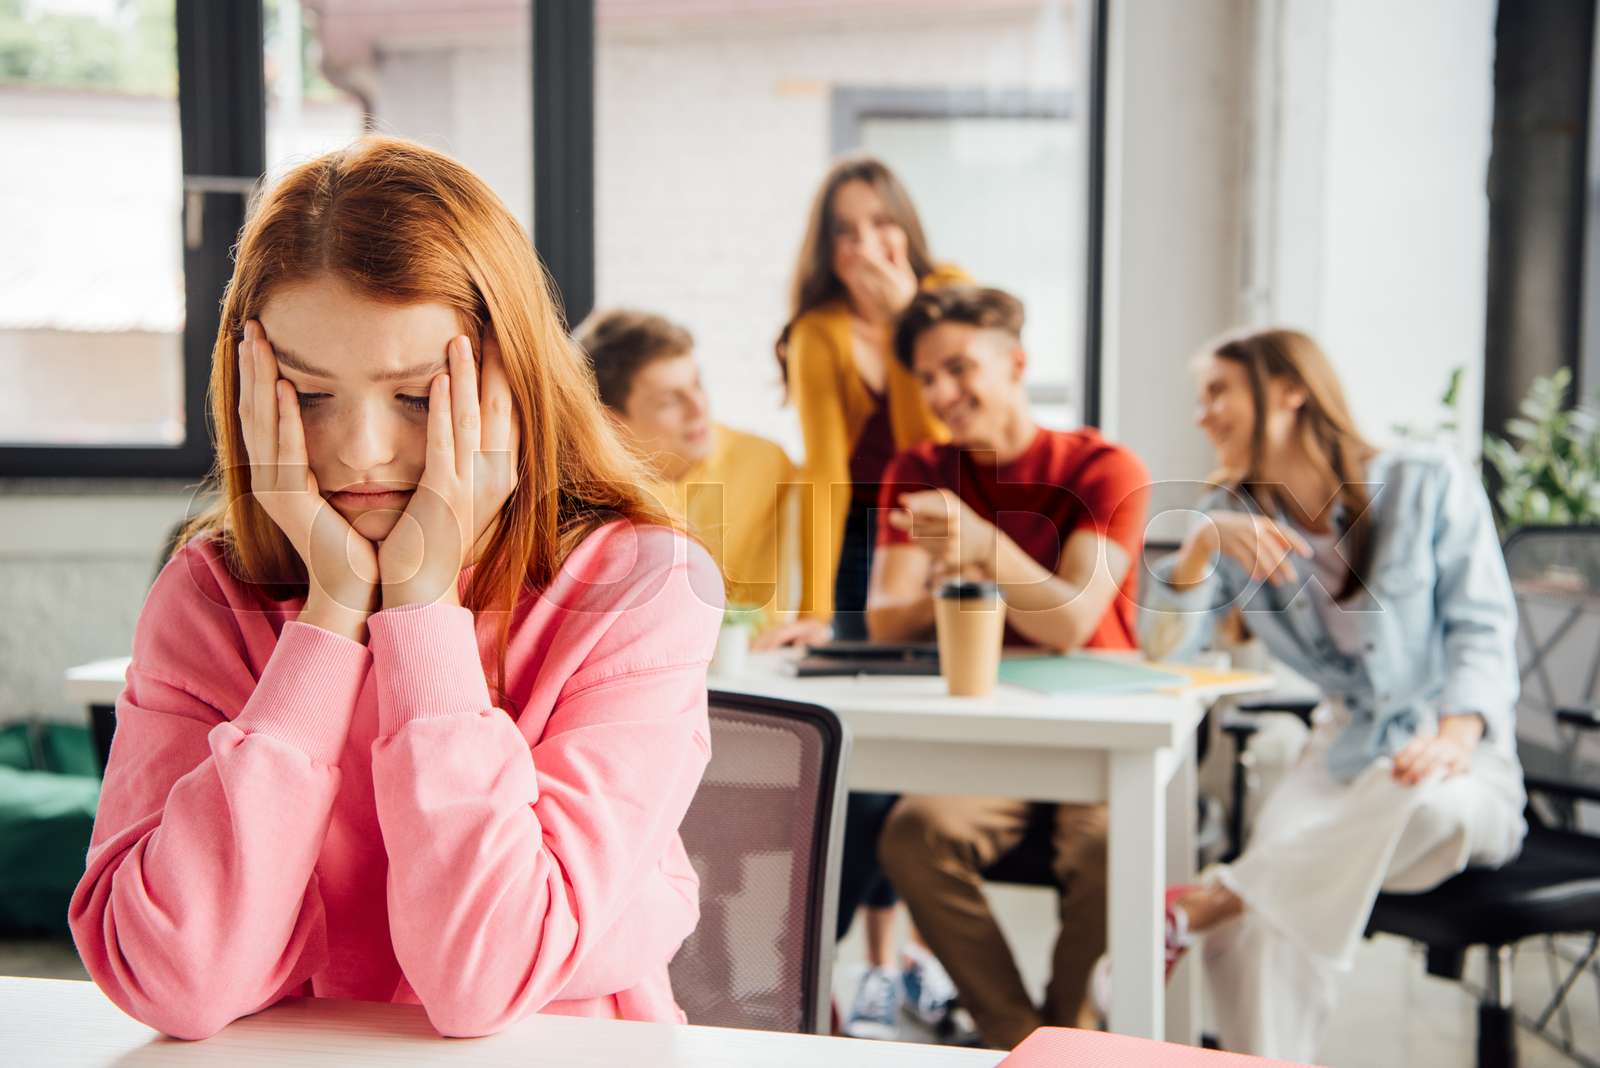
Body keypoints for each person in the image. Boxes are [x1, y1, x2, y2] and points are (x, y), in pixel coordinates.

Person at [67, 136, 723, 1041]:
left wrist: (419, 607)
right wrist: (333, 615)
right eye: (308, 394)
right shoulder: (206, 598)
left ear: (514, 388)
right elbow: (174, 979)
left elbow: (483, 978)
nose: (360, 451)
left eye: (417, 398)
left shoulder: (644, 590)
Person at [1136, 327, 1526, 1062]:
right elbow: (1162, 651)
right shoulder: (1236, 517)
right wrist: (1198, 545)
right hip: (1340, 754)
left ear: (1290, 390)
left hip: (1455, 750)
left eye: (1218, 390)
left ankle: (1207, 903)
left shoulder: (1426, 481)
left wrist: (1456, 736)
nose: (1202, 414)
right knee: (1267, 928)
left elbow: (1482, 626)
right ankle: (1237, 932)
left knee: (1423, 801)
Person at [870, 285, 1151, 1050]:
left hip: (1097, 726)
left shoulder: (1104, 468)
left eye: (958, 368)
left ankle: (1069, 1030)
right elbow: (883, 617)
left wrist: (977, 545)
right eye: (927, 379)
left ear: (1017, 361)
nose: (941, 394)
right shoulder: (918, 468)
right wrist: (949, 574)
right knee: (914, 836)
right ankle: (1020, 1040)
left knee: (1105, 847)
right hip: (988, 723)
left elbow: (1071, 619)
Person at [775, 156, 970, 1037]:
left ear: (908, 225)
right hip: (861, 541)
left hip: (946, 526)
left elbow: (941, 453)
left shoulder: (953, 297)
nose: (865, 246)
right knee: (867, 743)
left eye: (880, 224)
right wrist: (817, 612)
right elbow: (823, 470)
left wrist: (904, 326)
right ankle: (877, 966)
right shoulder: (818, 331)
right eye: (845, 232)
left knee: (932, 744)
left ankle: (910, 959)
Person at [577, 308, 815, 638]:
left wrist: (818, 622)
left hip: (751, 667)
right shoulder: (585, 498)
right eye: (670, 400)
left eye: (696, 383)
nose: (698, 407)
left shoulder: (763, 462)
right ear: (610, 421)